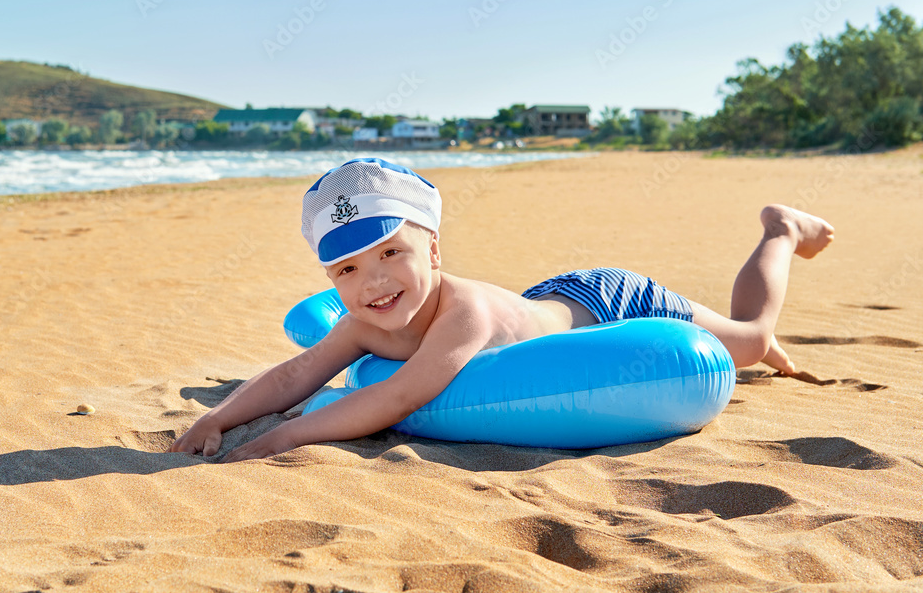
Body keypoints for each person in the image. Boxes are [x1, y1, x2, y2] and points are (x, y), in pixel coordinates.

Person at [167, 158, 834, 462]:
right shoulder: (365, 320)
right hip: (549, 299)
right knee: (755, 345)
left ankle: (781, 230)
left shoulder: (464, 314)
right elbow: (295, 376)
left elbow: (399, 395)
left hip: (608, 302)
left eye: (390, 253)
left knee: (748, 339)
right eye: (346, 268)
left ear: (433, 247)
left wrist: (283, 437)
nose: (373, 281)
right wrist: (222, 417)